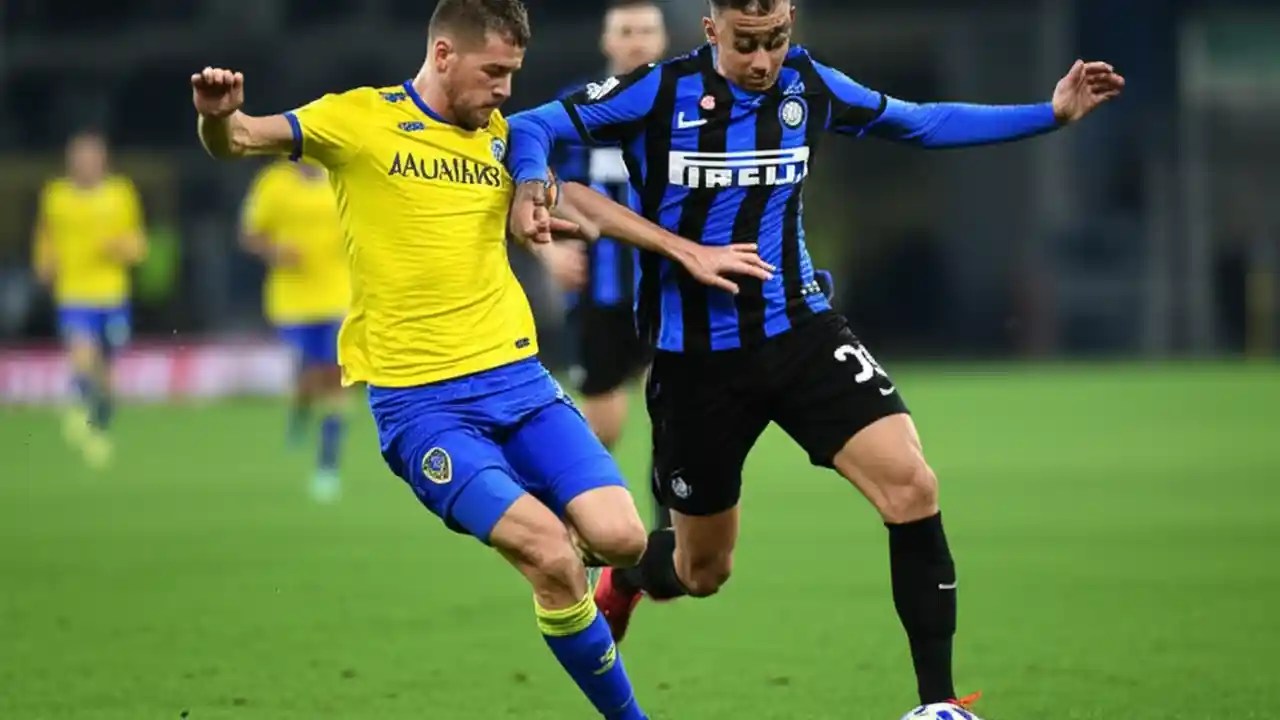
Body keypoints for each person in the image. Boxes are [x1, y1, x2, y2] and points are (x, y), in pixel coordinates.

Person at [506, 0, 1125, 712]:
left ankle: (939, 703)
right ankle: (631, 580)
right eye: (745, 45)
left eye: (775, 40)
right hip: (697, 362)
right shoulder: (659, 90)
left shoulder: (810, 86)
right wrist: (544, 188)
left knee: (912, 486)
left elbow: (920, 122)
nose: (763, 60)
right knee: (702, 570)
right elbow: (531, 126)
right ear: (711, 31)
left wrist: (1047, 114)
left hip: (803, 333)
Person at [189, 1, 770, 717]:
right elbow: (242, 138)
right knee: (554, 561)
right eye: (493, 71)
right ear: (442, 56)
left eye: (513, 74)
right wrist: (219, 117)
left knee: (619, 537)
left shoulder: (499, 140)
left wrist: (565, 233)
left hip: (520, 382)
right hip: (423, 407)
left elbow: (555, 201)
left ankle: (558, 551)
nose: (504, 90)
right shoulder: (359, 120)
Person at [536, 0, 672, 530]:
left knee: (676, 410)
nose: (636, 40)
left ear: (662, 41)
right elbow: (527, 182)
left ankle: (670, 534)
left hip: (669, 287)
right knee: (602, 426)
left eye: (645, 30)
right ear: (606, 41)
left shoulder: (687, 106)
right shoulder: (574, 110)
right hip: (598, 290)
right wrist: (547, 250)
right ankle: (577, 529)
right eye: (625, 30)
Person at [32, 130, 148, 469]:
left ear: (103, 160)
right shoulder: (56, 196)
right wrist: (43, 262)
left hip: (113, 294)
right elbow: (45, 235)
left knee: (108, 373)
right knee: (83, 354)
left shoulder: (120, 193)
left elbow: (138, 241)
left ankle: (98, 425)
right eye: (79, 158)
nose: (85, 164)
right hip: (74, 294)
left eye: (92, 157)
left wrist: (122, 247)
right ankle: (76, 412)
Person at [240, 158, 350, 503]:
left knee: (334, 375)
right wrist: (275, 250)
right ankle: (300, 410)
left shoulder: (342, 178)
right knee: (308, 377)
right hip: (291, 300)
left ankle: (328, 463)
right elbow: (250, 234)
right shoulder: (273, 183)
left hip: (338, 296)